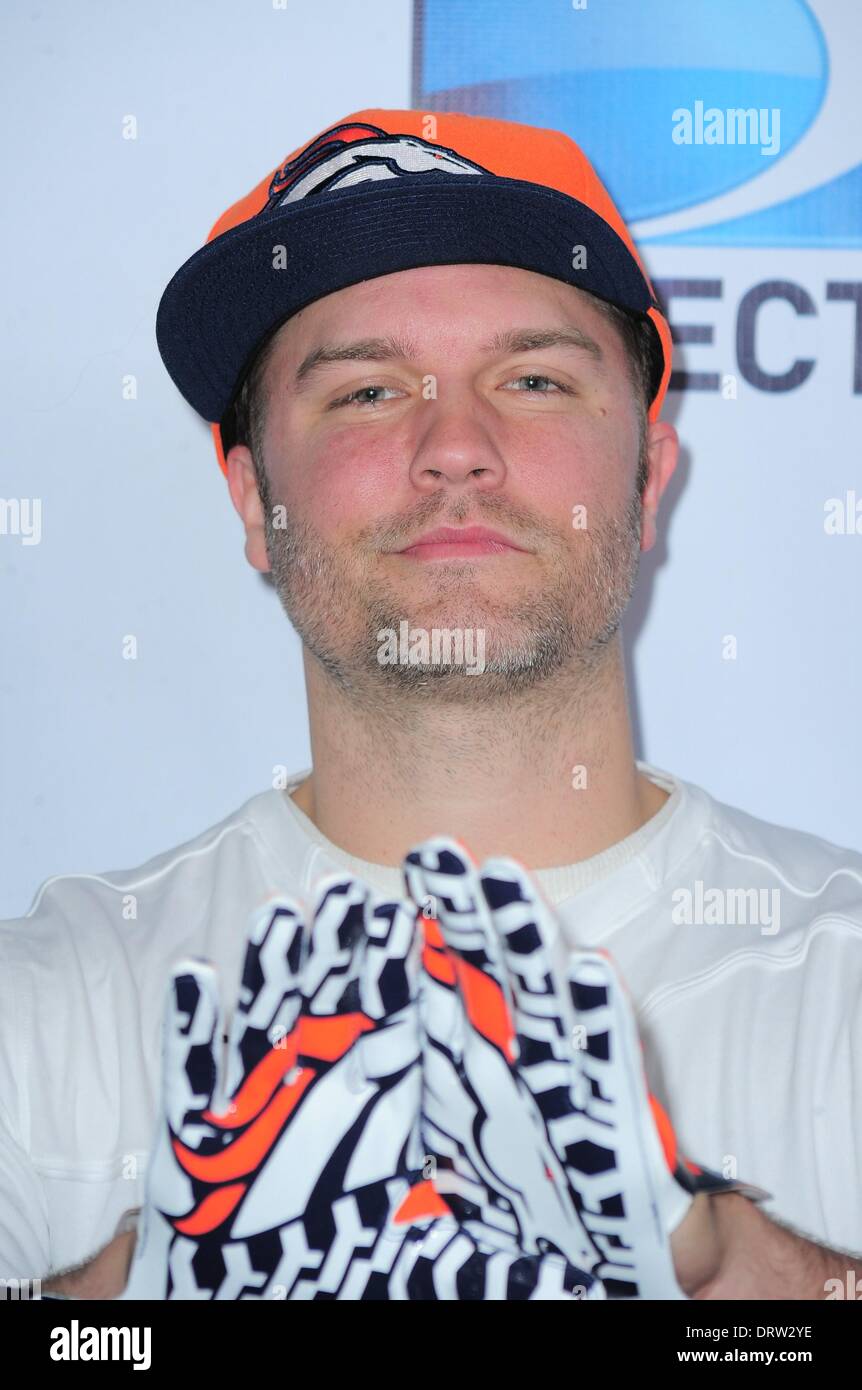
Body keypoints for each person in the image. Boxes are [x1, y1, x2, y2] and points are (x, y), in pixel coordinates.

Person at [2, 108, 860, 1300]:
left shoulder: (843, 983)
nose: (455, 445)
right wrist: (117, 1309)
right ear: (255, 503)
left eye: (533, 377)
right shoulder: (46, 1009)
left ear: (648, 477)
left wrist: (734, 1280)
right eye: (365, 391)